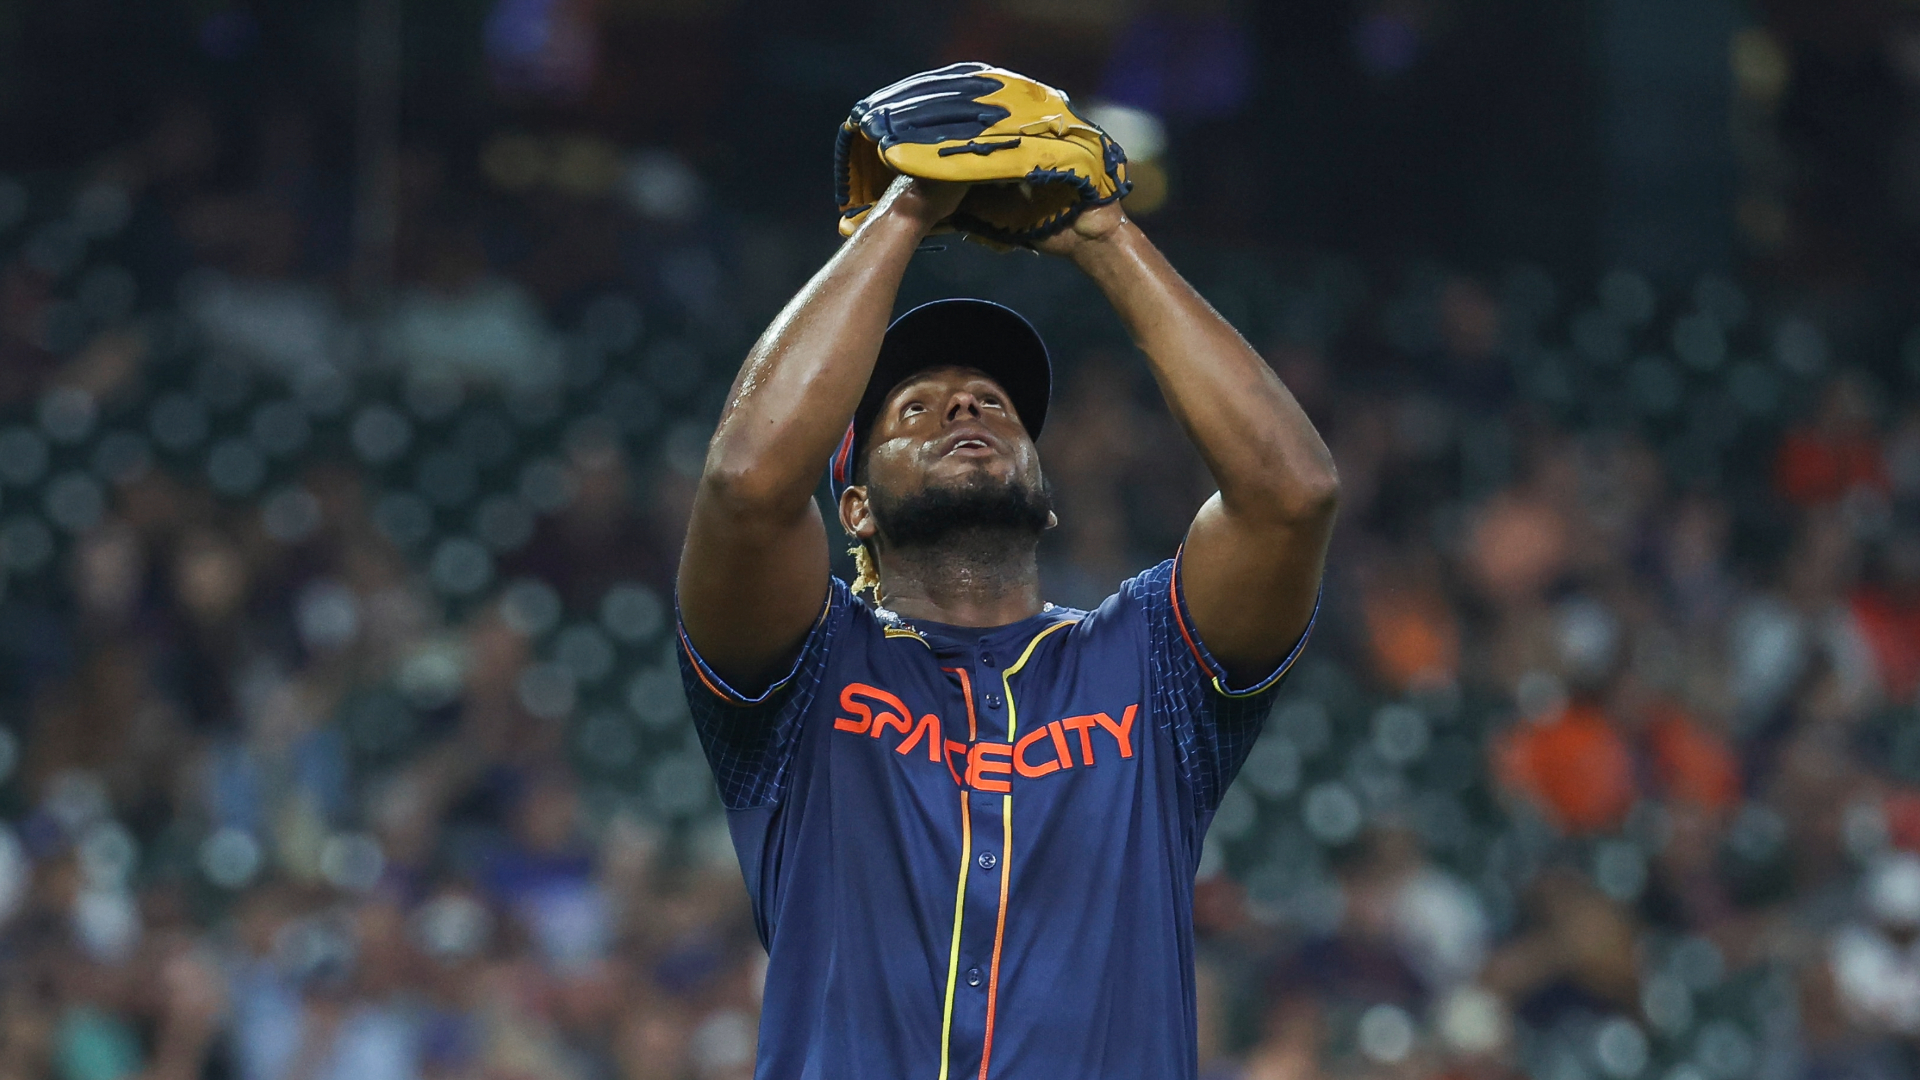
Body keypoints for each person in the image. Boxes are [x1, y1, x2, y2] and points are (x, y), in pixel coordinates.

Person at [674, 174, 1338, 1079]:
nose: (965, 407)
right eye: (915, 408)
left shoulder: (1148, 661)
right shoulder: (809, 661)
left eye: (995, 404)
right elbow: (746, 482)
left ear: (1045, 498)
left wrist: (1107, 240)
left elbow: (1293, 494)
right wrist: (904, 212)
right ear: (856, 508)